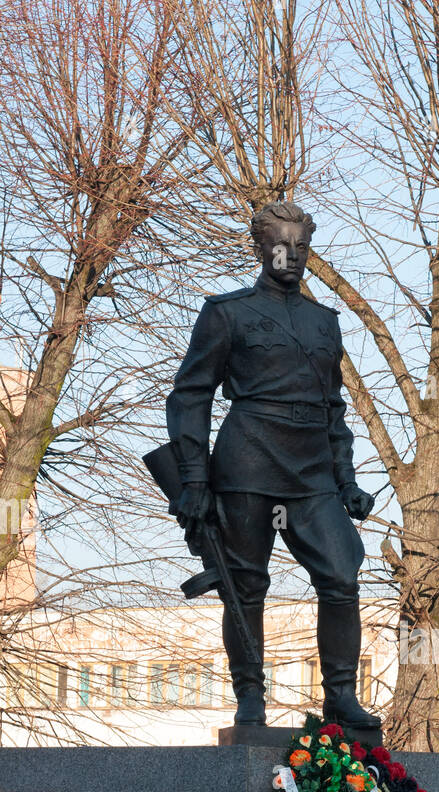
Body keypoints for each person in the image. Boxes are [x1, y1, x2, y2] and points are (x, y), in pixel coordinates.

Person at [165, 199, 379, 729]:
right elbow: (190, 395)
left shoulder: (324, 322)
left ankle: (341, 697)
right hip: (248, 459)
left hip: (311, 470)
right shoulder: (227, 311)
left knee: (341, 575)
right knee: (244, 586)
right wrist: (194, 477)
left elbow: (334, 406)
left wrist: (346, 477)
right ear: (260, 247)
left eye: (301, 246)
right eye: (280, 245)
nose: (291, 256)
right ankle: (250, 698)